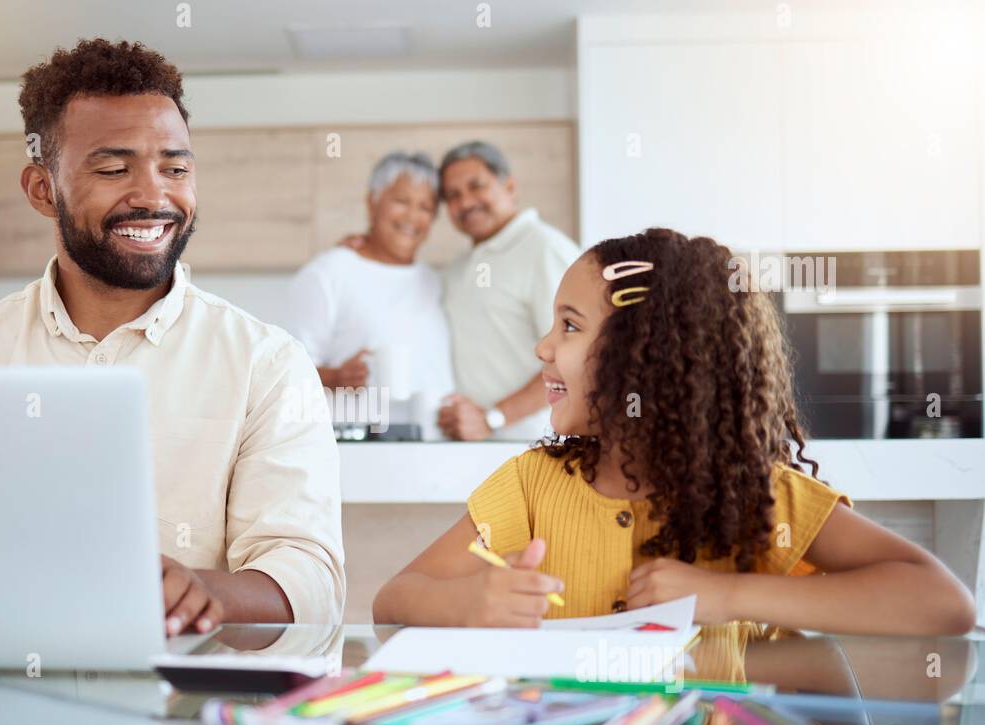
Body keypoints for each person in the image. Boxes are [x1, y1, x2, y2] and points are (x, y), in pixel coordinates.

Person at [0, 38, 345, 635]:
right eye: (114, 169)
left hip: (186, 715)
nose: (153, 195)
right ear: (42, 190)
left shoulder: (266, 363)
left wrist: (203, 592)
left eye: (176, 168)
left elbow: (311, 580)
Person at [373, 228, 975, 636]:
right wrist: (468, 601)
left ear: (644, 359)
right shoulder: (533, 483)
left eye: (570, 326)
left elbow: (941, 601)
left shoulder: (754, 494)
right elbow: (394, 599)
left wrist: (728, 597)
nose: (543, 346)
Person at [279, 152, 454, 439]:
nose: (412, 216)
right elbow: (285, 376)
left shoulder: (434, 281)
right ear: (372, 202)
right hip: (363, 453)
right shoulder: (327, 273)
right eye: (401, 201)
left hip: (436, 451)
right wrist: (336, 377)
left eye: (425, 207)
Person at [434, 141, 580, 441]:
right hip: (476, 449)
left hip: (542, 447)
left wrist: (493, 417)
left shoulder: (545, 250)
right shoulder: (457, 267)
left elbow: (575, 355)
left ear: (510, 186)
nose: (465, 202)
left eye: (476, 186)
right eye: (453, 195)